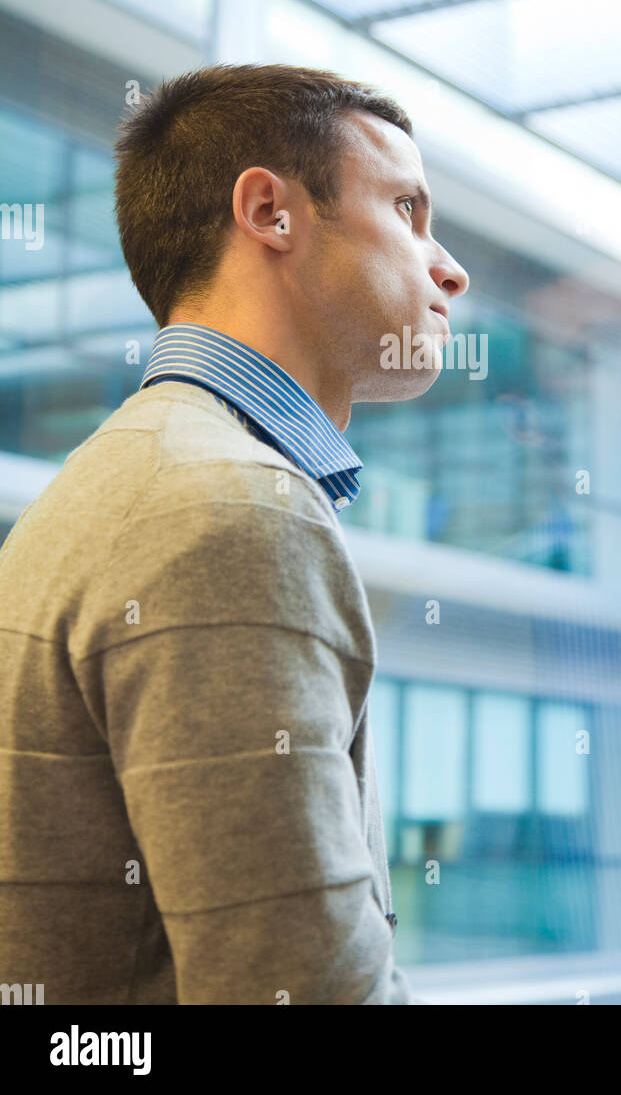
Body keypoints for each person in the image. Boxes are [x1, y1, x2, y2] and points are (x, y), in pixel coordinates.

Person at [0, 64, 469, 1004]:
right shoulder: (234, 510)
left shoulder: (104, 486)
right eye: (407, 209)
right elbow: (297, 985)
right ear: (270, 211)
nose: (451, 268)